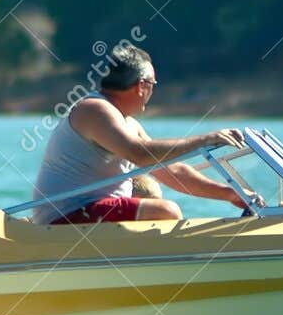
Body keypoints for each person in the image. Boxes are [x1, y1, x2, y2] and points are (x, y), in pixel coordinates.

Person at [28, 42, 248, 225]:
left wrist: (229, 194)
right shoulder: (94, 109)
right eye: (153, 84)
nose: (152, 92)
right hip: (63, 217)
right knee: (166, 212)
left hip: (90, 213)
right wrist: (206, 139)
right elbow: (139, 153)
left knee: (150, 191)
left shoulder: (126, 123)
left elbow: (172, 171)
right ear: (141, 86)